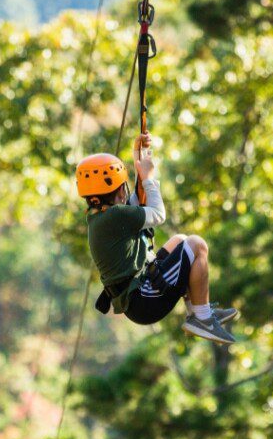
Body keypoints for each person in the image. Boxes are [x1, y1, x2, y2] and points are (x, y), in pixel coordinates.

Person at [78, 133, 238, 344]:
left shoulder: (100, 216)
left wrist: (140, 154)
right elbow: (157, 213)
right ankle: (203, 319)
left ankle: (198, 312)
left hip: (137, 297)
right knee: (197, 246)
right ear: (117, 192)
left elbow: (138, 198)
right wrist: (148, 178)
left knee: (180, 240)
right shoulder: (115, 216)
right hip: (144, 300)